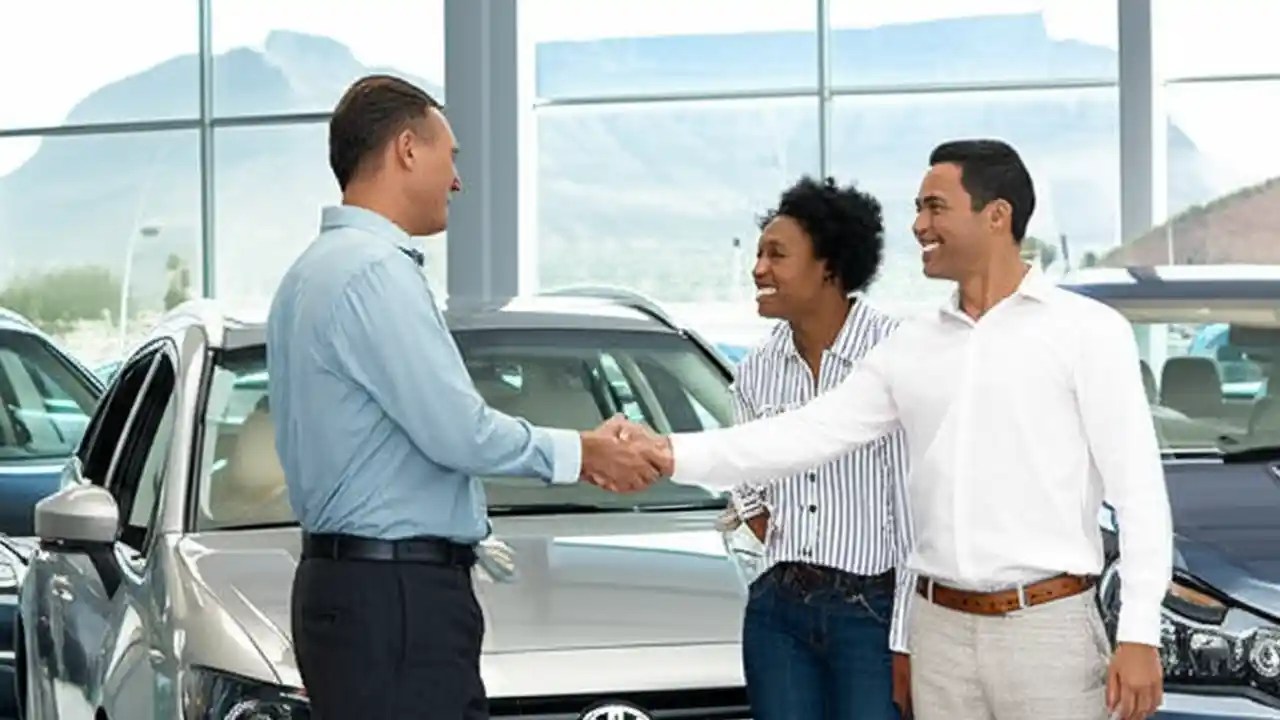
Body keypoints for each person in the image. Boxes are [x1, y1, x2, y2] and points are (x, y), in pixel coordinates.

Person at [619, 140, 1172, 720]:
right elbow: (807, 433)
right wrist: (667, 452)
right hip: (940, 634)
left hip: (1047, 630)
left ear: (996, 215)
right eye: (917, 209)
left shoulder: (1087, 331)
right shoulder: (912, 344)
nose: (918, 226)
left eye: (935, 208)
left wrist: (1140, 633)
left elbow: (1138, 494)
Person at [266, 74, 662, 720]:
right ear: (406, 149)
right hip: (397, 601)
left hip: (350, 591)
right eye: (450, 157)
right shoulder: (375, 272)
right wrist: (585, 452)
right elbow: (459, 432)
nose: (457, 181)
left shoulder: (308, 273)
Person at [720, 176, 914, 719]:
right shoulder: (757, 370)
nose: (759, 269)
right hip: (778, 613)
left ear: (829, 265)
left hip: (873, 615)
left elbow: (915, 510)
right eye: (759, 254)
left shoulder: (898, 355)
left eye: (777, 255)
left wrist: (905, 638)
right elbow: (747, 488)